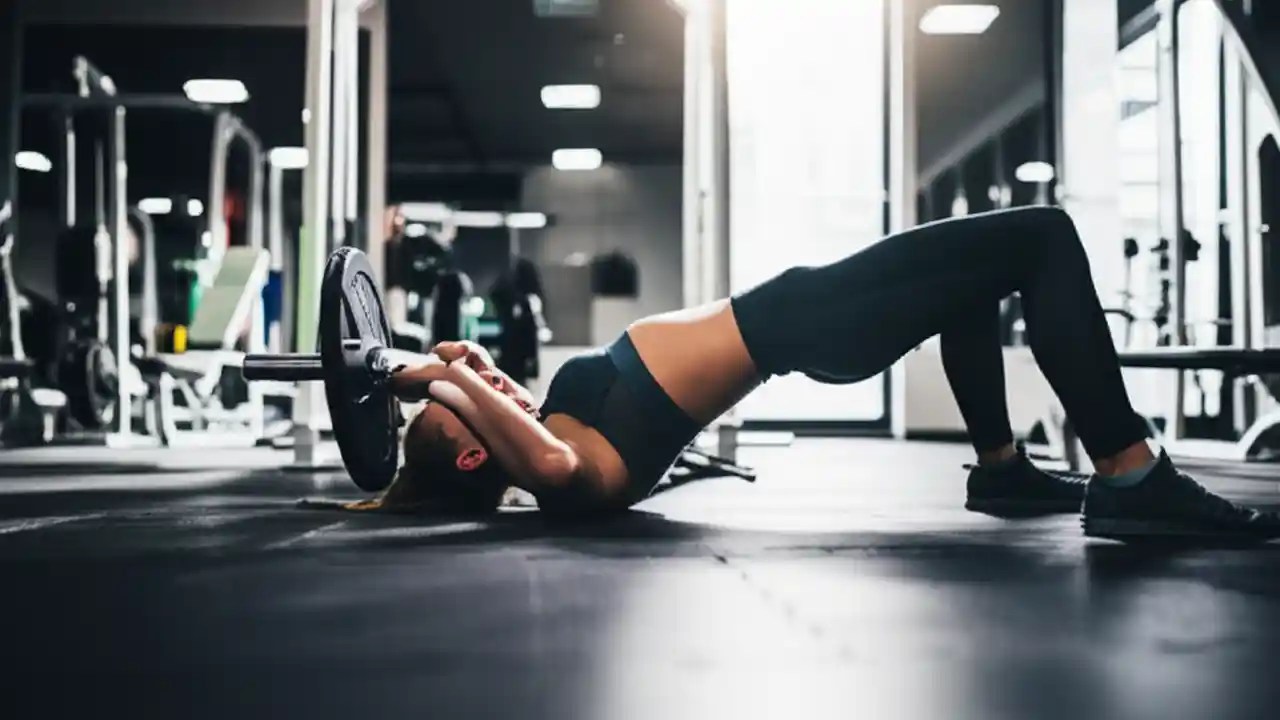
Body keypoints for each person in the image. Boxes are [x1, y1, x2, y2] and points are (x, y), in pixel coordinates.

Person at [385, 207, 1280, 541]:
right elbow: (538, 462)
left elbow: (506, 408)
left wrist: (457, 370)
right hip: (813, 325)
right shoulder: (567, 477)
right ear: (473, 458)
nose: (482, 389)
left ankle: (1002, 471)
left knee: (975, 278)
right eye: (458, 412)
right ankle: (1129, 473)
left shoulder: (552, 423)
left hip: (807, 312)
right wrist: (432, 383)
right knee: (1044, 236)